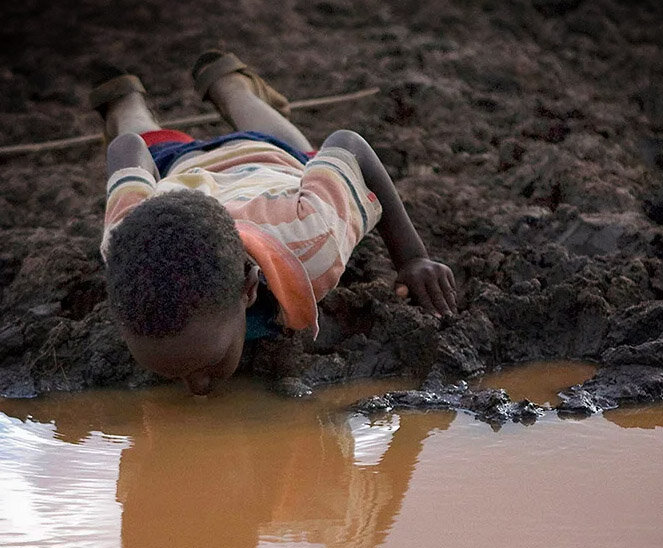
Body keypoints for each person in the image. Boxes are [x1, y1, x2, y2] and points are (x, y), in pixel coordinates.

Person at [92, 51, 457, 396]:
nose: (198, 387)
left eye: (210, 362)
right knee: (138, 131)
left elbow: (350, 146)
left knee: (299, 153)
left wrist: (411, 259)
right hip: (184, 170)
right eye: (167, 372)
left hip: (269, 160)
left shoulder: (311, 239)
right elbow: (125, 147)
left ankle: (229, 87)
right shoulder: (123, 243)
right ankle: (130, 100)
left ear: (249, 287)